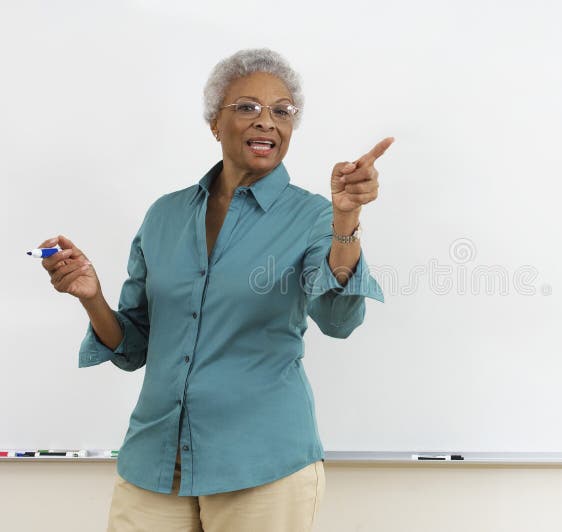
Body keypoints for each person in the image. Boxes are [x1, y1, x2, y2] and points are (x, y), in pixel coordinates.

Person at [37, 47, 392, 532]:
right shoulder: (164, 215)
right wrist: (91, 297)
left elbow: (339, 320)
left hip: (262, 466)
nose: (266, 121)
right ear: (214, 123)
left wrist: (346, 220)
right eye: (247, 107)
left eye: (282, 111)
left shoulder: (312, 217)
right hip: (154, 462)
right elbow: (133, 346)